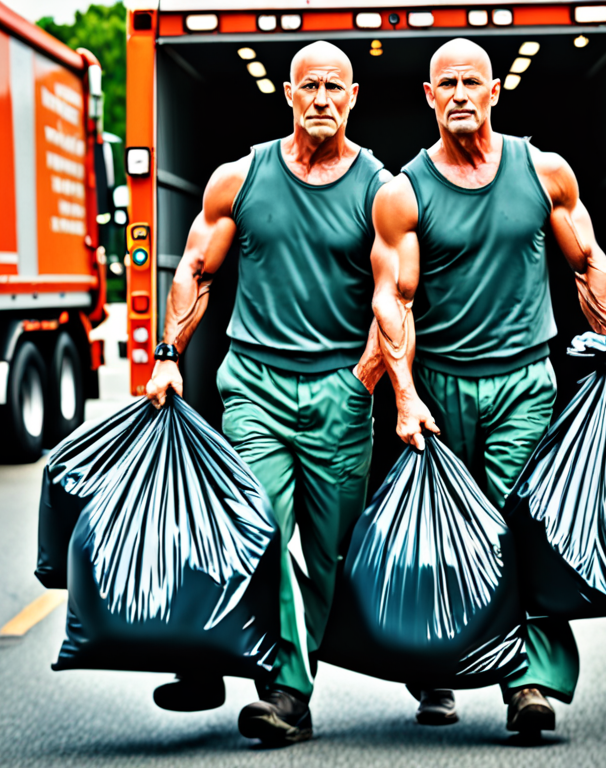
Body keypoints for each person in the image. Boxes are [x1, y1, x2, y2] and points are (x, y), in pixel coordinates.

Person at [370, 38, 606, 736]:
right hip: (441, 384)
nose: (459, 93)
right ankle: (439, 671)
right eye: (445, 83)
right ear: (428, 97)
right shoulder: (405, 192)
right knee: (445, 536)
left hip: (523, 380)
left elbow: (589, 262)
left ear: (494, 92)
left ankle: (529, 683)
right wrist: (404, 396)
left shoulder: (542, 171)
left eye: (471, 81)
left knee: (522, 528)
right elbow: (393, 299)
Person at [145, 41, 391, 746]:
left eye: (333, 87)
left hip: (339, 394)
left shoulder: (379, 189)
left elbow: (394, 299)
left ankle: (291, 663)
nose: (320, 98)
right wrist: (169, 356)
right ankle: (287, 694)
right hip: (254, 384)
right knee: (264, 531)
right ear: (288, 92)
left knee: (332, 550)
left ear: (352, 97)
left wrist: (363, 383)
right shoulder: (240, 178)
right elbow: (195, 267)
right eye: (308, 85)